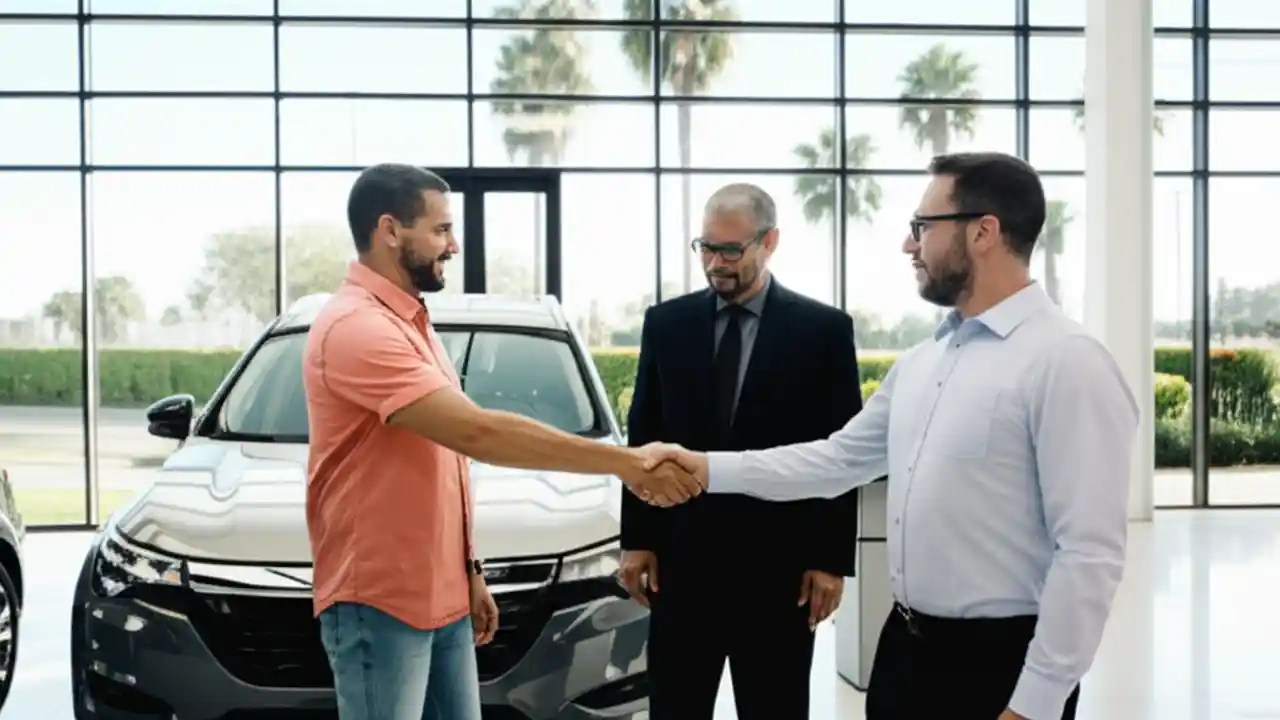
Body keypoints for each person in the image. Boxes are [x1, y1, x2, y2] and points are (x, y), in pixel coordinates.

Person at [639, 152, 1140, 720]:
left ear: (983, 232)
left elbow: (1090, 554)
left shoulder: (1067, 362)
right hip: (904, 653)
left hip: (998, 667)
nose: (909, 245)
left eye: (922, 228)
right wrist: (704, 467)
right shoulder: (924, 362)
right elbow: (834, 460)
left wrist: (1037, 703)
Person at [301, 163, 698, 720]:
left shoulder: (411, 323)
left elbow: (442, 462)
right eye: (440, 230)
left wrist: (469, 570)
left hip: (441, 599)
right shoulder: (356, 327)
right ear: (389, 230)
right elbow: (477, 432)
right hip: (381, 603)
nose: (453, 245)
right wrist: (625, 462)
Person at [618, 183, 864, 719]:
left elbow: (842, 452)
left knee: (774, 707)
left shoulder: (823, 331)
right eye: (705, 247)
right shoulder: (667, 324)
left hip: (780, 570)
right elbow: (643, 434)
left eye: (730, 250)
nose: (714, 263)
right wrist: (636, 538)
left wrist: (829, 560)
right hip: (681, 566)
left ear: (769, 241)